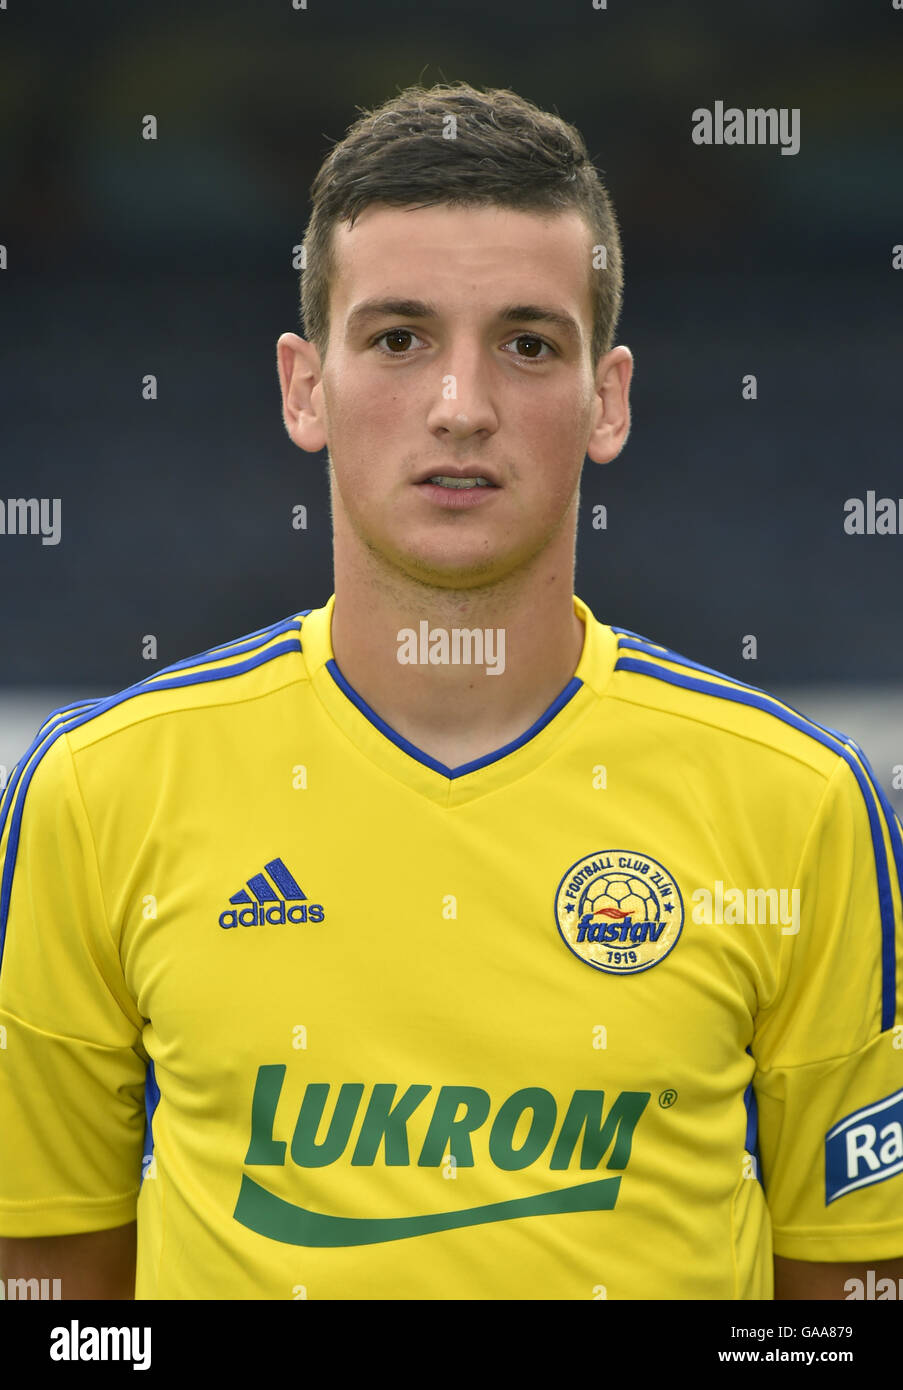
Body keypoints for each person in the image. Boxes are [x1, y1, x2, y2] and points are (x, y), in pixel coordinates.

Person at [0, 81, 901, 1301]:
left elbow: (847, 1297)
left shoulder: (804, 806)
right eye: (398, 338)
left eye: (529, 344)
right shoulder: (95, 792)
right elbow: (55, 1294)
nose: (461, 408)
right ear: (303, 386)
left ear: (609, 398)